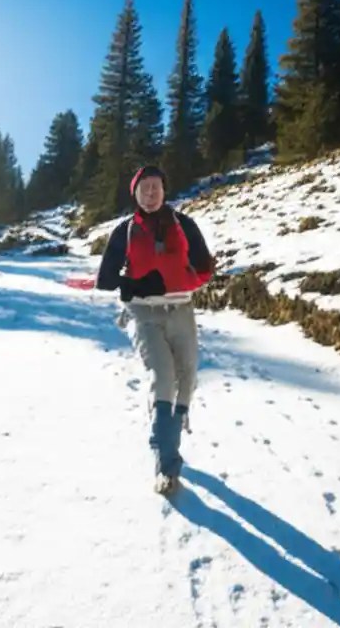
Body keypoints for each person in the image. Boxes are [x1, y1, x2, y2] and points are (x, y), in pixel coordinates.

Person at [95, 165, 215, 495]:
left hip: (181, 310)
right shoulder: (125, 231)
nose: (150, 193)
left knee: (186, 379)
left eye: (155, 187)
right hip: (143, 314)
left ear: (164, 190)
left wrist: (179, 281)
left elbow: (205, 268)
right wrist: (134, 285)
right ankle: (167, 463)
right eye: (144, 188)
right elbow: (105, 279)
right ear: (134, 193)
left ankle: (165, 435)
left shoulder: (184, 224)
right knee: (163, 377)